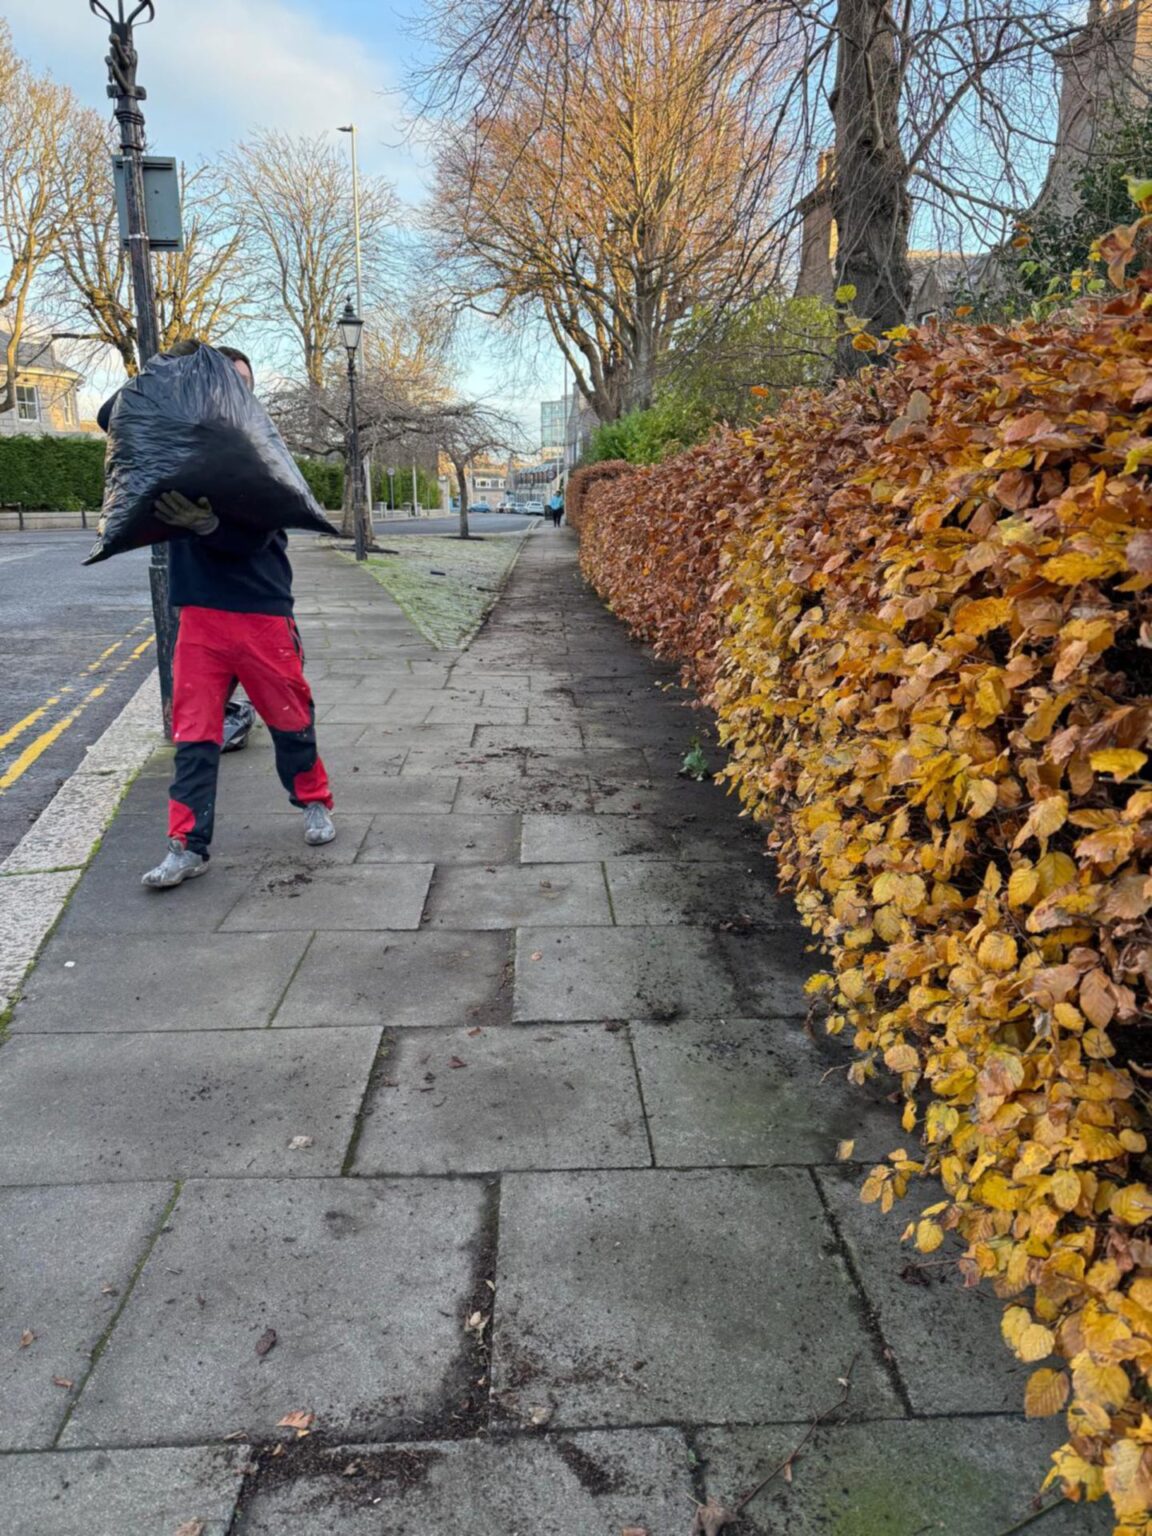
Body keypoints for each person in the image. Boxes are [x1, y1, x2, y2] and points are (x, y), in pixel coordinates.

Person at [97, 341, 336, 889]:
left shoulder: (257, 448)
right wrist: (169, 368)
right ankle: (186, 846)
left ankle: (314, 802)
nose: (236, 391)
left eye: (243, 384)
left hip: (260, 609)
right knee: (195, 735)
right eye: (226, 380)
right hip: (200, 611)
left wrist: (212, 528)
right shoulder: (176, 435)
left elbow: (260, 535)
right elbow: (111, 415)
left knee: (290, 719)